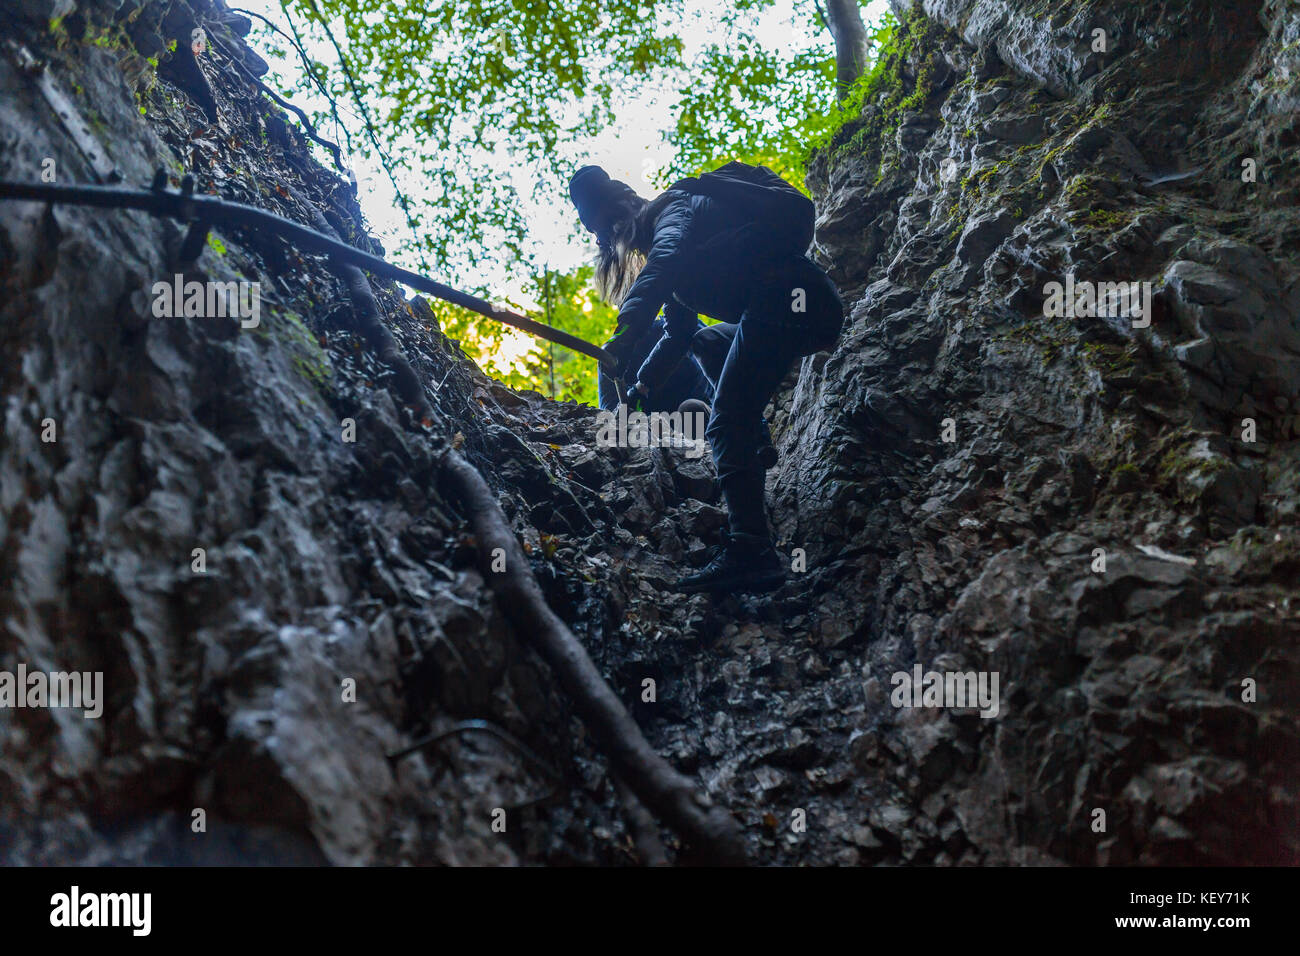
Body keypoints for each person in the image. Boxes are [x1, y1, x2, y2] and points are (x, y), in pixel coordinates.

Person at [568, 162, 843, 595]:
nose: (606, 243)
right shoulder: (675, 254)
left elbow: (665, 261)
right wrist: (640, 386)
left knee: (724, 419)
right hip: (792, 304)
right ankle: (753, 437)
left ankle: (752, 550)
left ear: (617, 219)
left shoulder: (670, 212)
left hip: (789, 297)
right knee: (709, 342)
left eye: (603, 231)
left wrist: (625, 335)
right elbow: (679, 332)